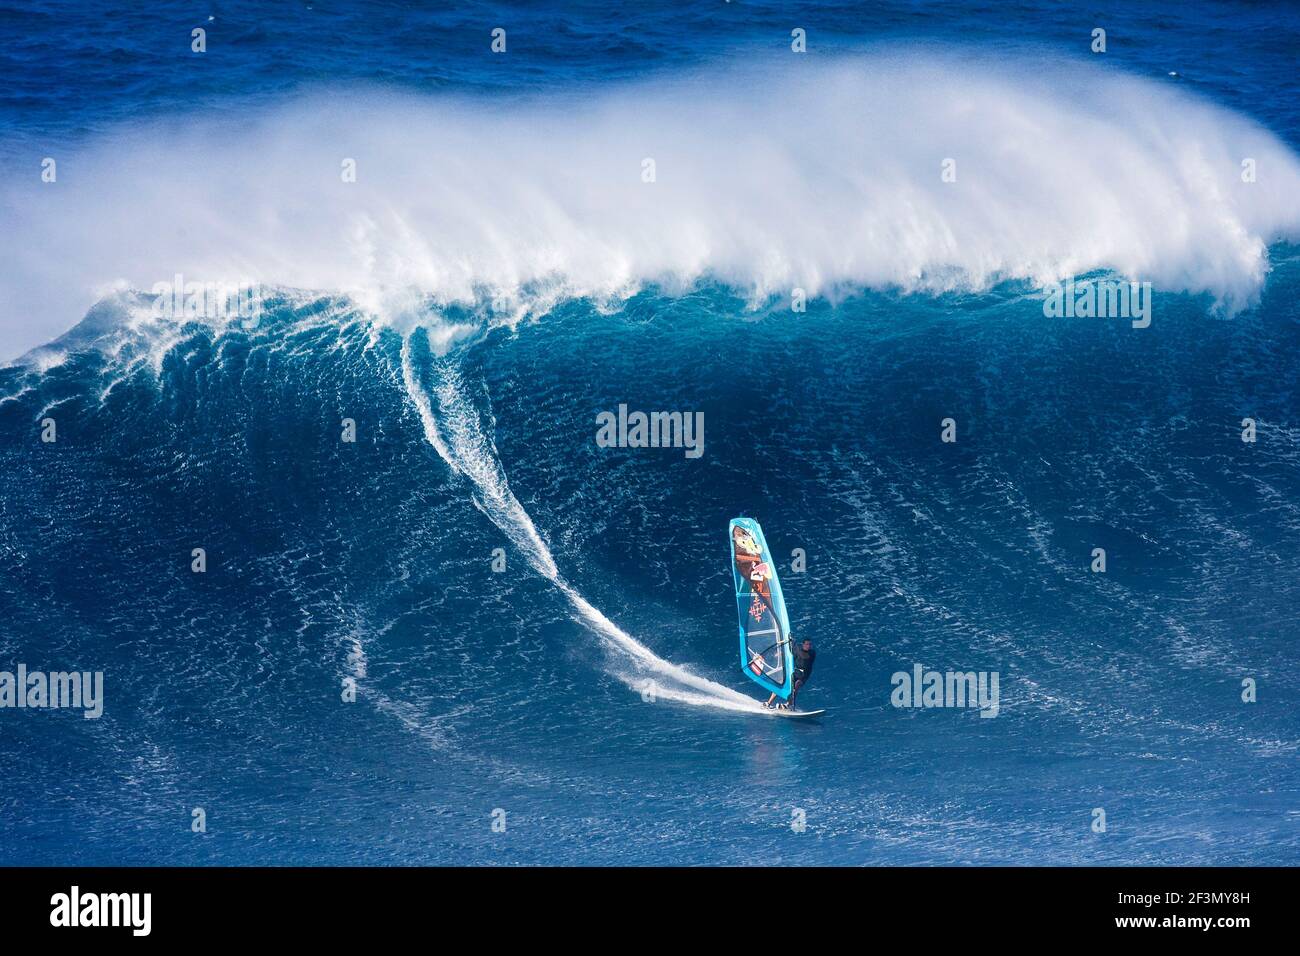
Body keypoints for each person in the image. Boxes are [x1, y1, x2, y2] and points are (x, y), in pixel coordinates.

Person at [767, 637, 815, 710]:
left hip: (804, 675)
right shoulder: (797, 649)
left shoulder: (812, 653)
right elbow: (788, 651)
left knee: (797, 684)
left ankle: (788, 704)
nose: (808, 646)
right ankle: (768, 703)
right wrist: (782, 651)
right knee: (781, 682)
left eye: (810, 644)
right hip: (796, 671)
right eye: (807, 644)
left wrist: (794, 644)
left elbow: (803, 656)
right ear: (803, 644)